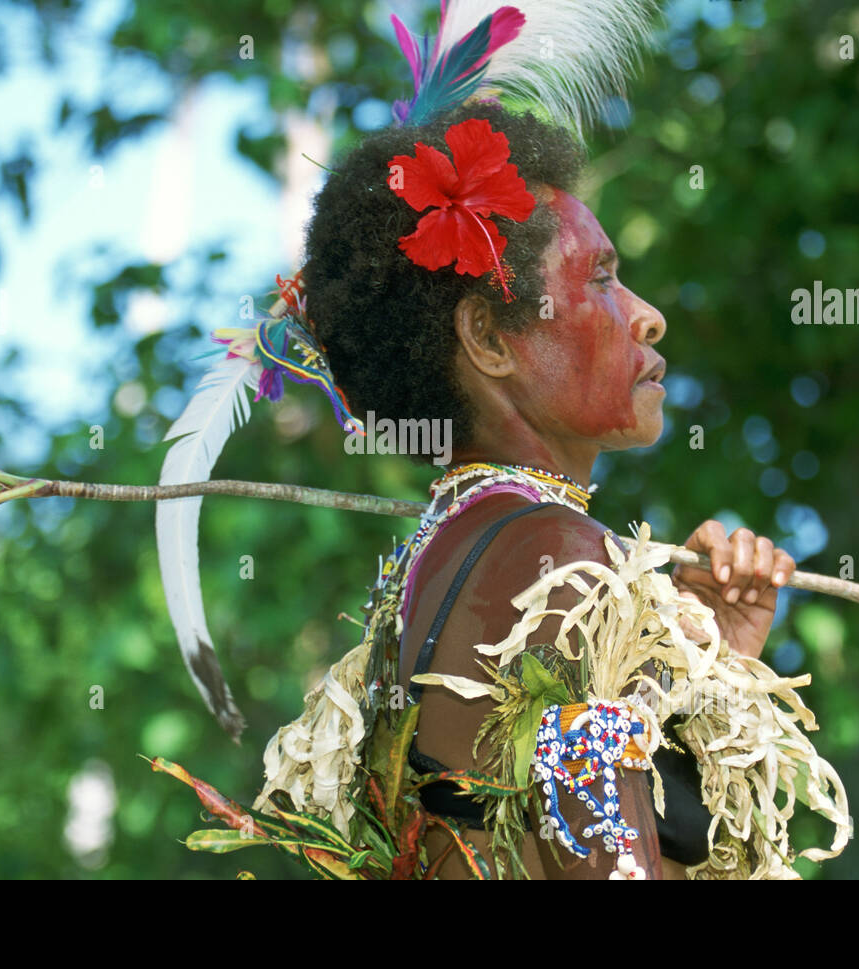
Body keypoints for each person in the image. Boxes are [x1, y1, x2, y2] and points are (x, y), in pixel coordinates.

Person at [301, 103, 796, 879]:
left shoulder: (449, 559)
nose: (649, 317)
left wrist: (712, 661)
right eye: (600, 277)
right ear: (491, 339)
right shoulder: (552, 555)